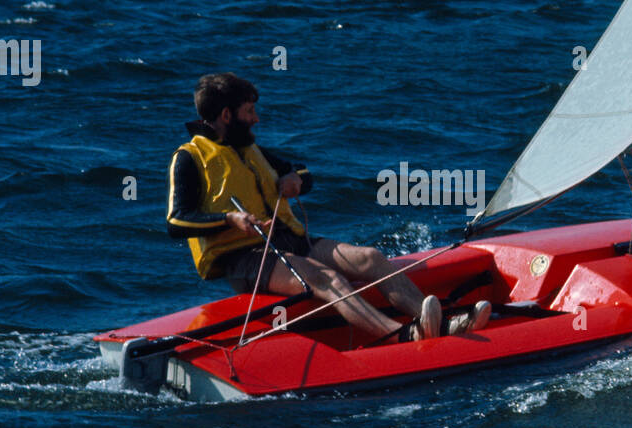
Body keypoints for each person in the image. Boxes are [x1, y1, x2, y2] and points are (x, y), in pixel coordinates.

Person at [167, 74, 490, 343]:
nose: (256, 119)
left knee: (371, 258)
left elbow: (302, 172)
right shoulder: (189, 159)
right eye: (249, 111)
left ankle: (442, 324)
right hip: (245, 259)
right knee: (327, 278)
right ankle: (402, 336)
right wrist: (229, 219)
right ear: (226, 115)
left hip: (290, 241)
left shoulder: (251, 149)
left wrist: (295, 180)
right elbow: (177, 222)